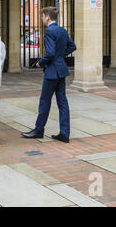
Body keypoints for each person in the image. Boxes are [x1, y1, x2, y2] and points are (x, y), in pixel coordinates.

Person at [22, 7, 77, 143]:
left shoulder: (50, 31)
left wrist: (41, 62)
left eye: (42, 16)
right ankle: (64, 134)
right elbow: (72, 46)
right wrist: (61, 56)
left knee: (45, 101)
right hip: (61, 70)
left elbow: (50, 53)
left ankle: (38, 130)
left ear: (47, 16)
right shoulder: (62, 30)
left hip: (52, 71)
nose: (41, 19)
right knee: (62, 102)